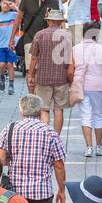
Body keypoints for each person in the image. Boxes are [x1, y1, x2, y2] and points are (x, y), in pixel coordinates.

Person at [0, 93, 68, 203]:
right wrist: (62, 189)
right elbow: (59, 165)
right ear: (40, 111)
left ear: (21, 111)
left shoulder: (10, 129)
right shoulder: (50, 133)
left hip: (14, 192)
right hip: (41, 194)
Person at [26, 7, 73, 135]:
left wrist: (30, 75)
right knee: (59, 109)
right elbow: (69, 60)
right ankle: (56, 137)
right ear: (60, 22)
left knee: (44, 109)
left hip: (43, 77)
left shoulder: (39, 35)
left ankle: (44, 135)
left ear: (49, 21)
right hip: (61, 78)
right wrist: (71, 79)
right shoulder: (67, 36)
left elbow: (34, 57)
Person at [72, 22, 102, 156]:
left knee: (85, 116)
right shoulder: (101, 49)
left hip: (81, 86)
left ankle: (89, 147)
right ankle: (99, 147)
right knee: (98, 115)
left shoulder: (75, 49)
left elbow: (71, 70)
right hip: (97, 86)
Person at [12, 0, 58, 75]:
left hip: (46, 40)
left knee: (42, 71)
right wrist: (11, 39)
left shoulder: (54, 2)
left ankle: (36, 90)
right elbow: (18, 19)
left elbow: (57, 23)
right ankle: (31, 91)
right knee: (30, 71)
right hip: (30, 38)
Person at [0, 0, 20, 95]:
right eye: (4, 3)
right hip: (0, 44)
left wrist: (14, 6)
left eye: (8, 4)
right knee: (1, 64)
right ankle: (2, 76)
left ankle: (11, 84)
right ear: (0, 4)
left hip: (10, 45)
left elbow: (21, 14)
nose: (6, 5)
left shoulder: (13, 15)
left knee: (10, 64)